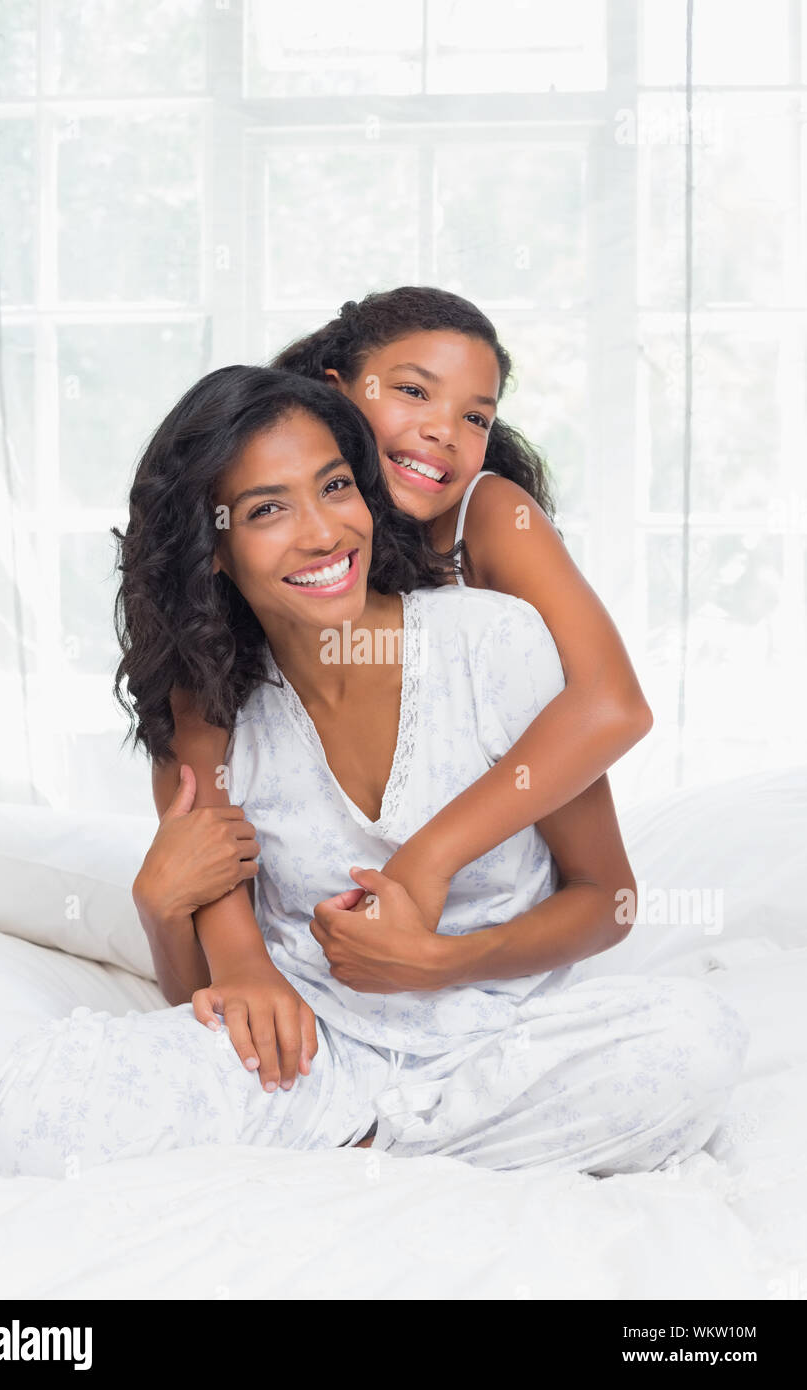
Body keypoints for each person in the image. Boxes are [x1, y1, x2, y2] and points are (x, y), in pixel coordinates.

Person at [0, 367, 749, 1179]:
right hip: (317, 1055)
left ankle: (362, 1153)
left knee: (693, 1039)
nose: (322, 533)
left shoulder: (494, 644)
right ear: (213, 552)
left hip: (506, 1043)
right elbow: (222, 998)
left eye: (334, 487)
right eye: (268, 509)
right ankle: (404, 1148)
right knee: (37, 1116)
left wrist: (445, 961)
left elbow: (606, 902)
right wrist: (162, 910)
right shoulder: (209, 707)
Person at [139, 286, 655, 1090]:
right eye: (413, 391)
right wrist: (224, 948)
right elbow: (205, 817)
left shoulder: (488, 526)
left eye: (477, 417)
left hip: (484, 962)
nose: (444, 431)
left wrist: (427, 863)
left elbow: (611, 706)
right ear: (334, 392)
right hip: (331, 993)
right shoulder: (238, 573)